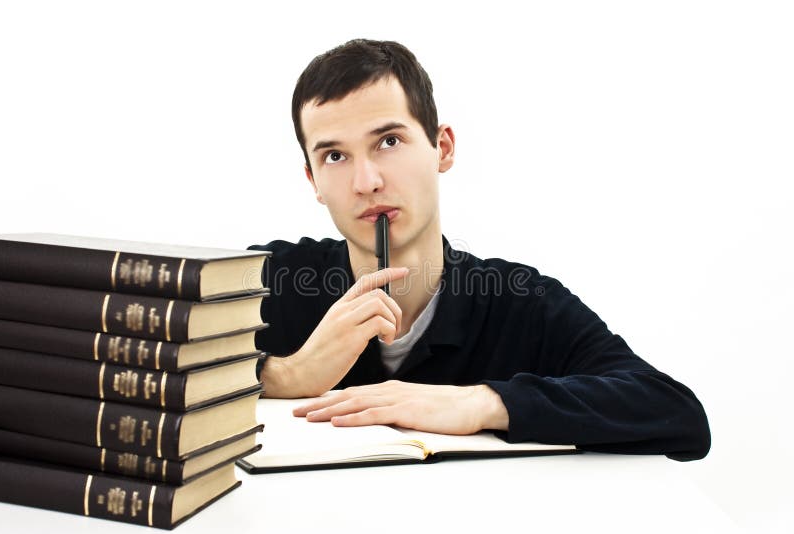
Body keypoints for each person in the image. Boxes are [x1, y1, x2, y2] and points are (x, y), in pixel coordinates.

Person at [249, 39, 710, 461]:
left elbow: (676, 414)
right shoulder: (266, 280)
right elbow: (173, 381)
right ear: (313, 180)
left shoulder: (518, 300)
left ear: (442, 148)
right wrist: (289, 375)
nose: (366, 182)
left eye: (389, 142)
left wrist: (484, 403)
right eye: (334, 156)